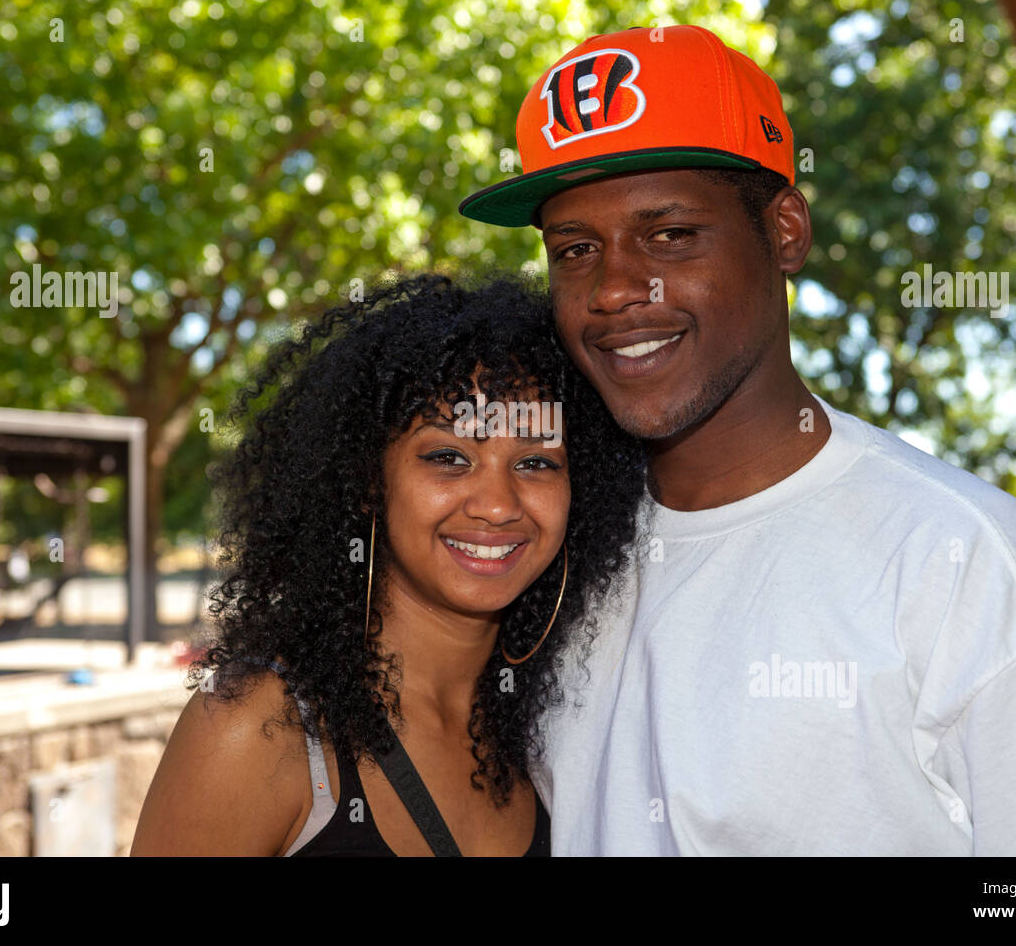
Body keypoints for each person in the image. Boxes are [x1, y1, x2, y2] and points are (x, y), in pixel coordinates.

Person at [460, 24, 1016, 854]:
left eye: (670, 235)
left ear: (785, 230)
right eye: (576, 249)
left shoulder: (961, 563)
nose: (614, 289)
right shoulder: (546, 558)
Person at [131, 273, 643, 856]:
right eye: (448, 456)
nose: (498, 505)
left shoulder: (553, 730)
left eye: (536, 463)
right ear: (368, 481)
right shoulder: (258, 727)